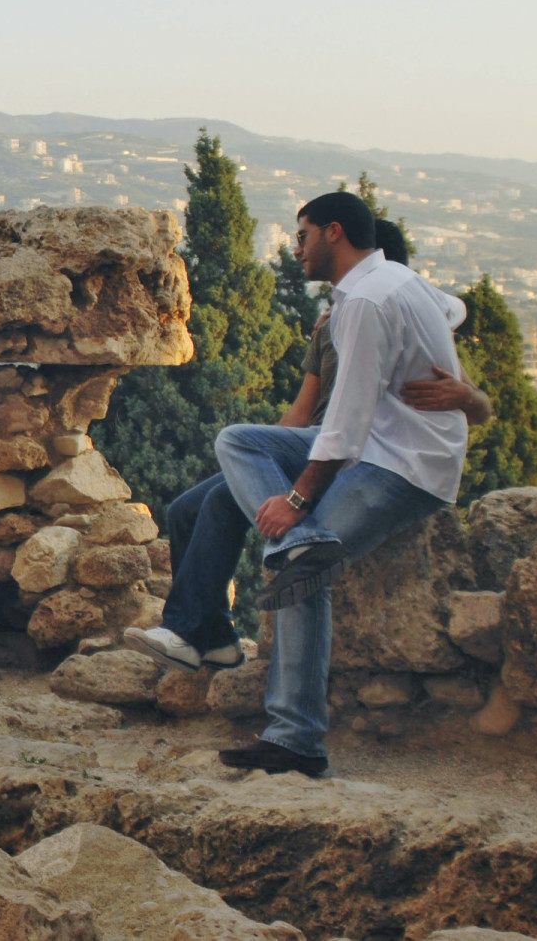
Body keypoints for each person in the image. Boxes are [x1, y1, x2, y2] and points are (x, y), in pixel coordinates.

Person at [126, 219, 490, 677]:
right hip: (308, 447)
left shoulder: (405, 318)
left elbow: (475, 403)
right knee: (184, 509)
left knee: (219, 502)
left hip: (356, 461)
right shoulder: (333, 325)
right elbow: (302, 411)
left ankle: (189, 632)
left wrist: (467, 398)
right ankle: (217, 639)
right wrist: (261, 462)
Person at [204, 193, 472, 777]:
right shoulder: (392, 282)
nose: (294, 248)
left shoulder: (367, 303)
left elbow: (344, 426)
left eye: (301, 236)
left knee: (299, 573)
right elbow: (453, 311)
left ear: (334, 232)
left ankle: (296, 740)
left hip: (404, 462)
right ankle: (297, 548)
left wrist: (298, 501)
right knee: (238, 441)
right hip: (379, 442)